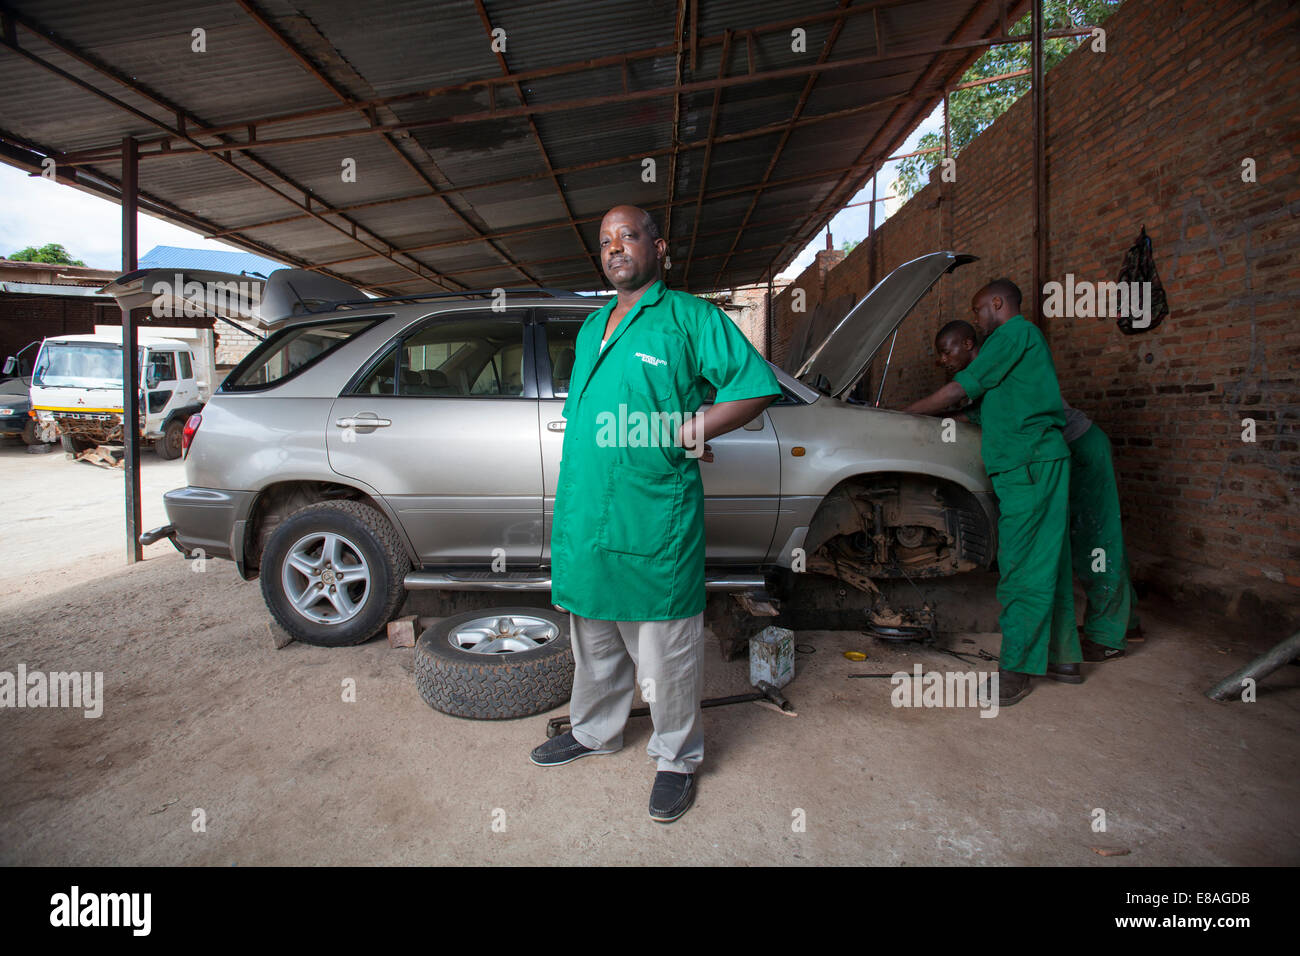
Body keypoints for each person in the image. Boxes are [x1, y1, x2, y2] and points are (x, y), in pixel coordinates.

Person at [533, 204, 780, 822]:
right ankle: (594, 730)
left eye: (629, 236)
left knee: (664, 645)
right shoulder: (592, 327)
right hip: (589, 508)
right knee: (593, 631)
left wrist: (691, 429)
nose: (616, 248)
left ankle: (677, 756)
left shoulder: (690, 318)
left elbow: (753, 387)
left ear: (658, 246)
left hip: (652, 508)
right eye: (606, 241)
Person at [903, 280, 1079, 705]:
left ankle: (1015, 670)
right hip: (1033, 463)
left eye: (978, 309)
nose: (978, 319)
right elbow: (971, 410)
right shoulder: (1013, 354)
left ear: (997, 304)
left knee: (1020, 567)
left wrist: (902, 414)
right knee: (1047, 562)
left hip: (1030, 464)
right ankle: (1064, 657)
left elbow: (959, 390)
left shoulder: (1013, 334)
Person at [932, 320, 1139, 661]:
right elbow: (965, 417)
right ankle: (1126, 621)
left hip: (1081, 448)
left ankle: (1108, 635)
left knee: (1096, 539)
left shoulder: (1002, 354)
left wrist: (903, 412)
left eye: (946, 351)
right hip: (1056, 455)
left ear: (969, 344)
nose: (942, 360)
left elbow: (956, 394)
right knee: (1072, 543)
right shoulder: (992, 375)